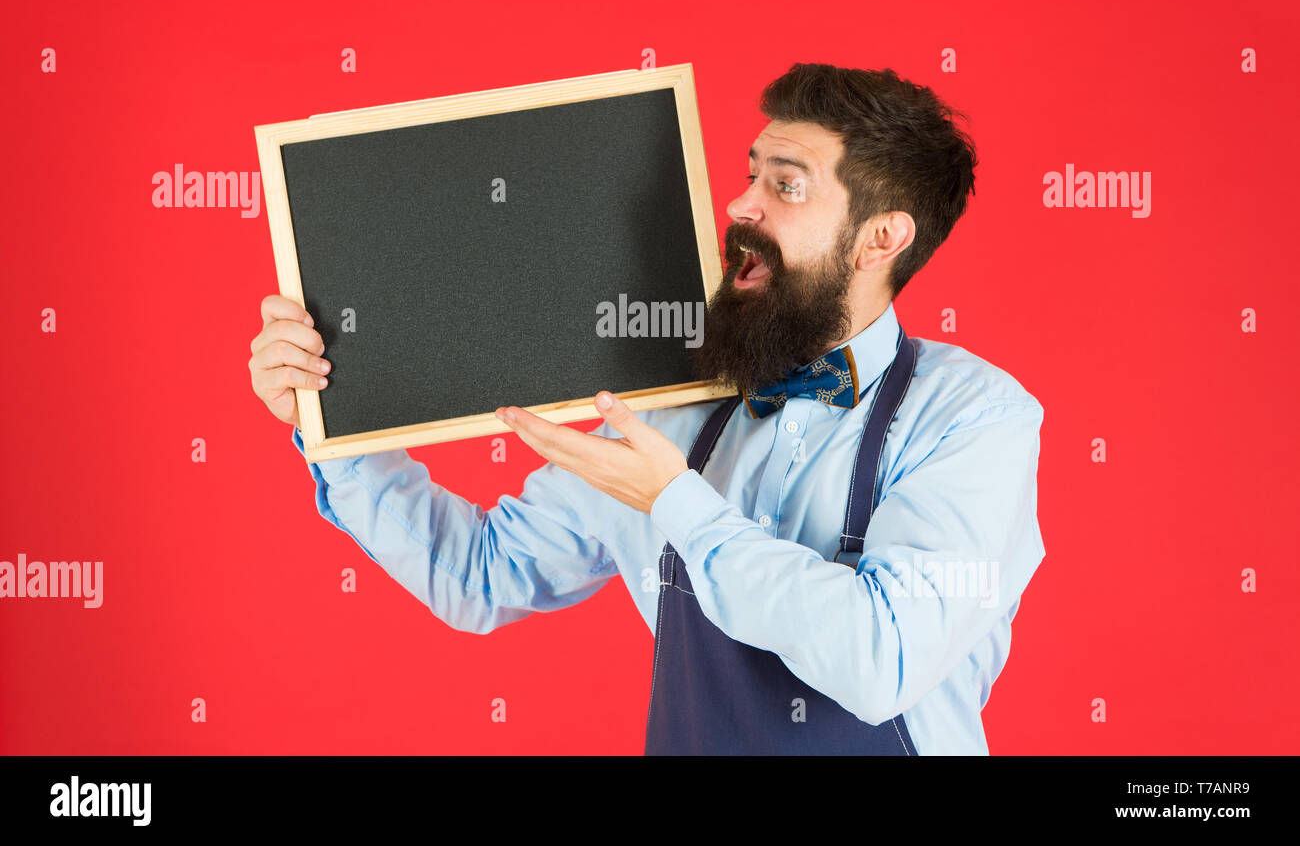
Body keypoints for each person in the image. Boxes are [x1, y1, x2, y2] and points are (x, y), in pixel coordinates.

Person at [248, 63, 1045, 755]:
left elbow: (883, 658)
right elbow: (479, 576)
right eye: (750, 173)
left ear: (881, 238)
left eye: (785, 184)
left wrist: (677, 501)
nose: (740, 205)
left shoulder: (973, 418)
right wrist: (332, 413)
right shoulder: (673, 410)